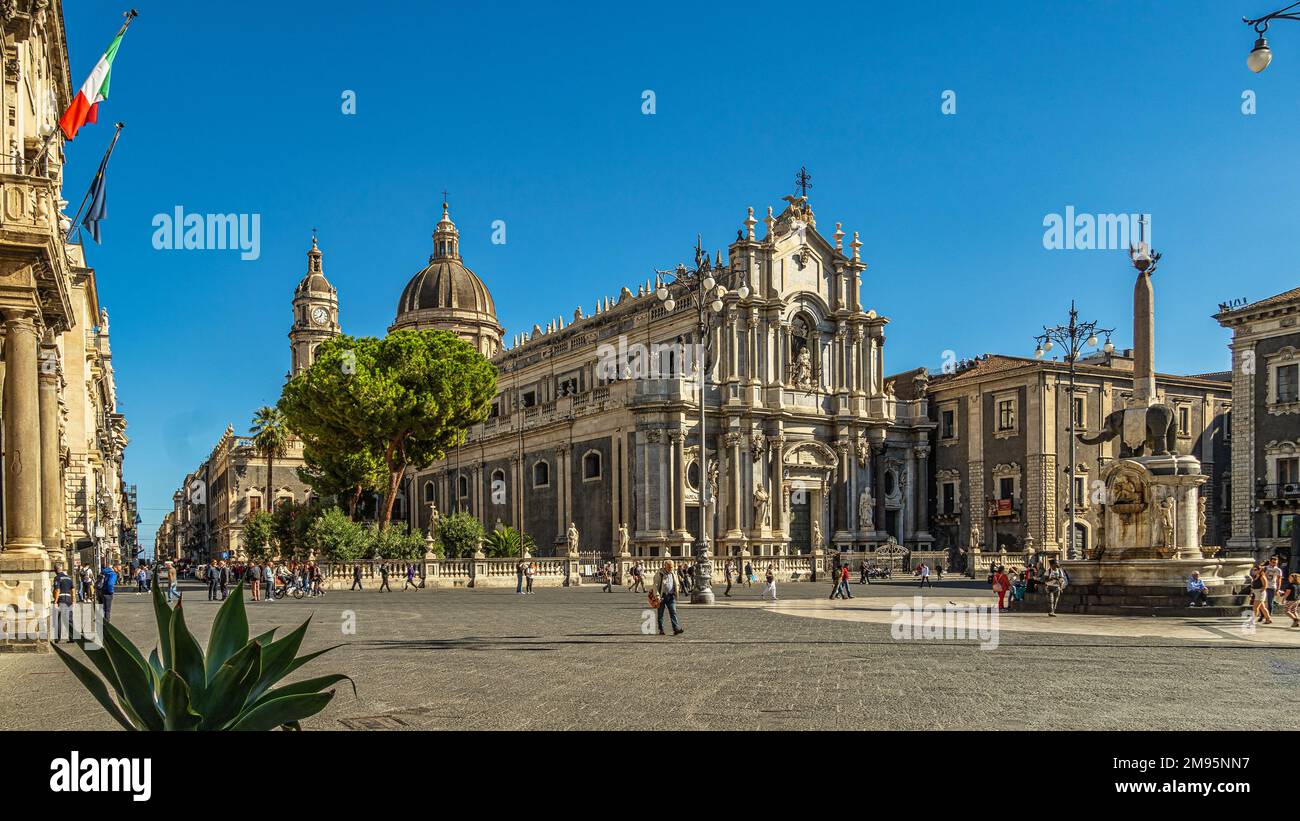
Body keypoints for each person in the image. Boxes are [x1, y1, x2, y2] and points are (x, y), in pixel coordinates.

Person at [652, 560, 684, 635]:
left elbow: (676, 583)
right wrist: (657, 595)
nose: (671, 568)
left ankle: (676, 628)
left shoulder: (673, 573)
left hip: (671, 595)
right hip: (662, 596)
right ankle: (661, 629)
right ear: (665, 566)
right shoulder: (660, 573)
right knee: (660, 614)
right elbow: (655, 585)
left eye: (672, 567)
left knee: (673, 612)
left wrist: (677, 591)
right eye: (669, 567)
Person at [51, 565, 75, 643]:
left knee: (58, 619)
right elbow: (73, 590)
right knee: (69, 620)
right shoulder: (68, 578)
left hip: (61, 600)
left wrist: (55, 601)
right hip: (68, 599)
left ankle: (57, 638)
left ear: (55, 570)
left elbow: (57, 590)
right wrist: (73, 600)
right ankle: (72, 638)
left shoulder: (57, 578)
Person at [97, 561, 118, 626]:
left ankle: (100, 621)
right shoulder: (113, 574)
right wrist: (111, 591)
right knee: (107, 610)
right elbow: (110, 584)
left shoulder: (104, 571)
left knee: (101, 607)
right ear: (115, 567)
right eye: (119, 567)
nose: (120, 569)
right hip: (107, 593)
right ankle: (106, 624)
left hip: (100, 591)